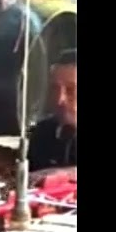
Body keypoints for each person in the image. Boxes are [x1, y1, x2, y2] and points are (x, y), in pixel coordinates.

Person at [27, 50, 77, 182]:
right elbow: (30, 180)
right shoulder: (42, 131)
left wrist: (65, 174)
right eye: (55, 88)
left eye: (71, 90)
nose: (60, 99)